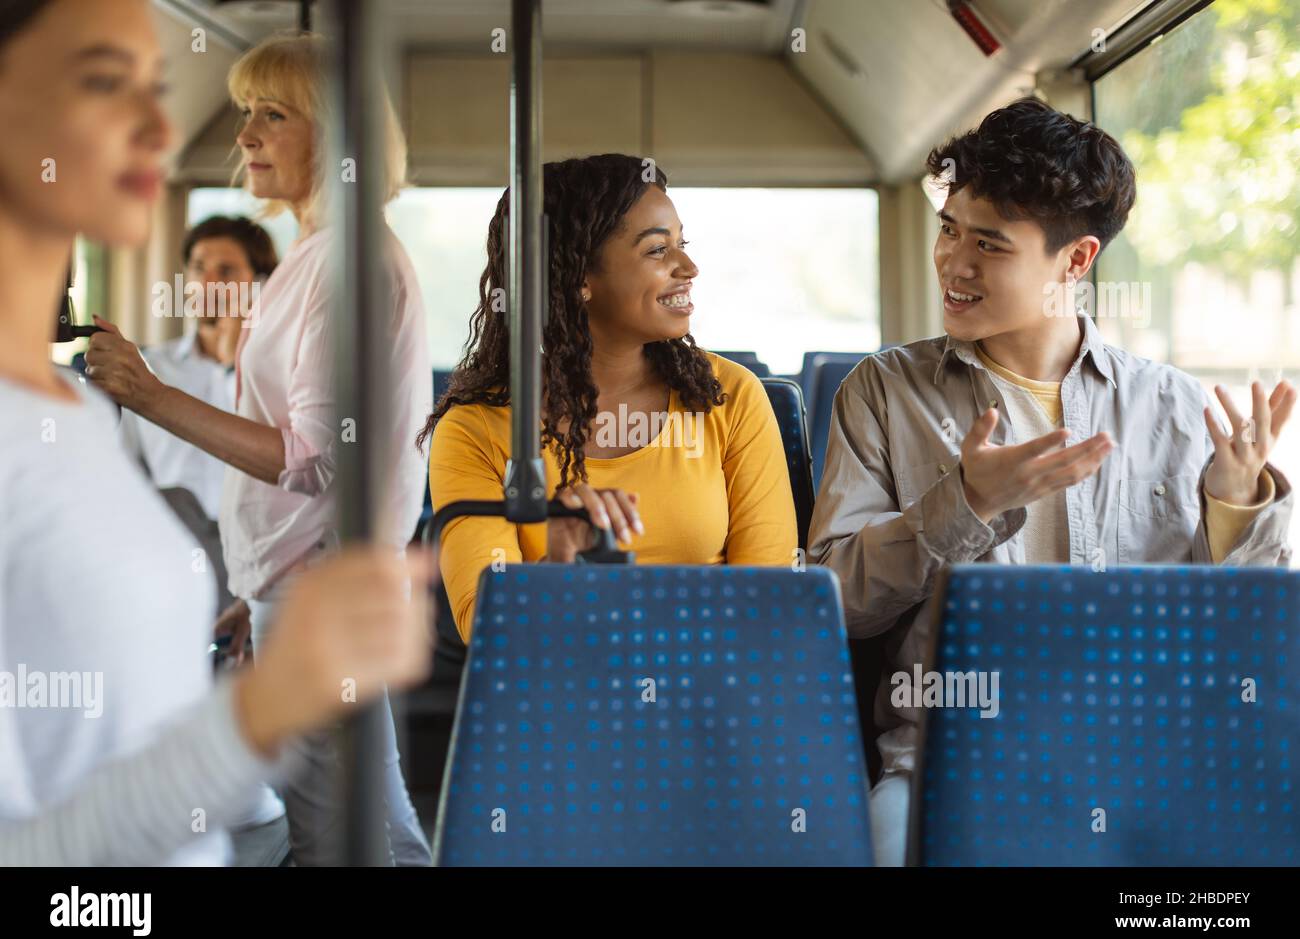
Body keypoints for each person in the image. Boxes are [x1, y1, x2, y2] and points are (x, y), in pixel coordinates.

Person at [807, 98, 1296, 867]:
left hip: (1143, 758)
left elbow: (1242, 643)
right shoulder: (882, 392)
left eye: (990, 246)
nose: (954, 264)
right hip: (946, 755)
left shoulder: (1175, 406)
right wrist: (963, 506)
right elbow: (834, 604)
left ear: (1075, 261)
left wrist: (1235, 506)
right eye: (949, 230)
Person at [0, 0, 432, 866]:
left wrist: (153, 397)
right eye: (103, 83)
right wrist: (256, 585)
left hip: (316, 588)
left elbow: (309, 459)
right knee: (372, 836)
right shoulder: (315, 259)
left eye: (274, 113)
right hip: (296, 587)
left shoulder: (346, 260)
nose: (238, 135)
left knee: (342, 843)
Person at [421, 154, 797, 641]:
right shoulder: (475, 429)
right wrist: (559, 571)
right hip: (561, 698)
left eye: (682, 244)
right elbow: (489, 634)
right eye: (657, 250)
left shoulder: (731, 396)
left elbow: (771, 604)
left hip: (714, 695)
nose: (689, 267)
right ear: (578, 278)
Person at [117, 215, 279, 612]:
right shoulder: (148, 370)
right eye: (198, 269)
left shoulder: (277, 375)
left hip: (258, 546)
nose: (207, 283)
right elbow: (126, 474)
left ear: (259, 285)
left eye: (226, 271)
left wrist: (233, 357)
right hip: (168, 543)